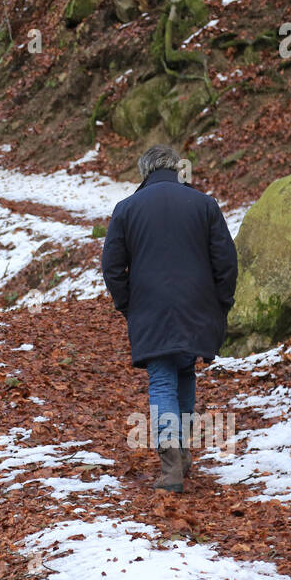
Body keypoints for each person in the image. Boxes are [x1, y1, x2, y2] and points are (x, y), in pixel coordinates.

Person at [100, 145, 238, 493]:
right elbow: (226, 261)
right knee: (185, 372)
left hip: (151, 307)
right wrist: (220, 304)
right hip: (197, 305)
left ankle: (171, 467)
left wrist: (128, 304)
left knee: (162, 380)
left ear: (144, 172)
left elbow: (112, 267)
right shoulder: (204, 204)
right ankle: (183, 455)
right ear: (178, 168)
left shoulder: (127, 209)